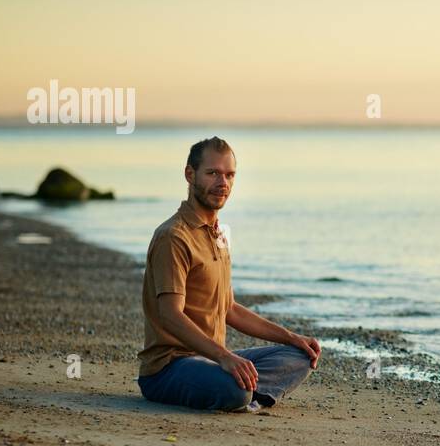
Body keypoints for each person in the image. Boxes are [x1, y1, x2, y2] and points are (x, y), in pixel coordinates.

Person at [136, 136, 321, 411]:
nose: (222, 183)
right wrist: (225, 357)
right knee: (233, 388)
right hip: (169, 368)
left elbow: (229, 309)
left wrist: (292, 337)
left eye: (229, 175)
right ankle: (244, 393)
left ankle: (248, 393)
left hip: (212, 361)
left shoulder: (220, 235)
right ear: (190, 174)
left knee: (299, 356)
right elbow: (170, 315)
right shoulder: (173, 237)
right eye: (212, 173)